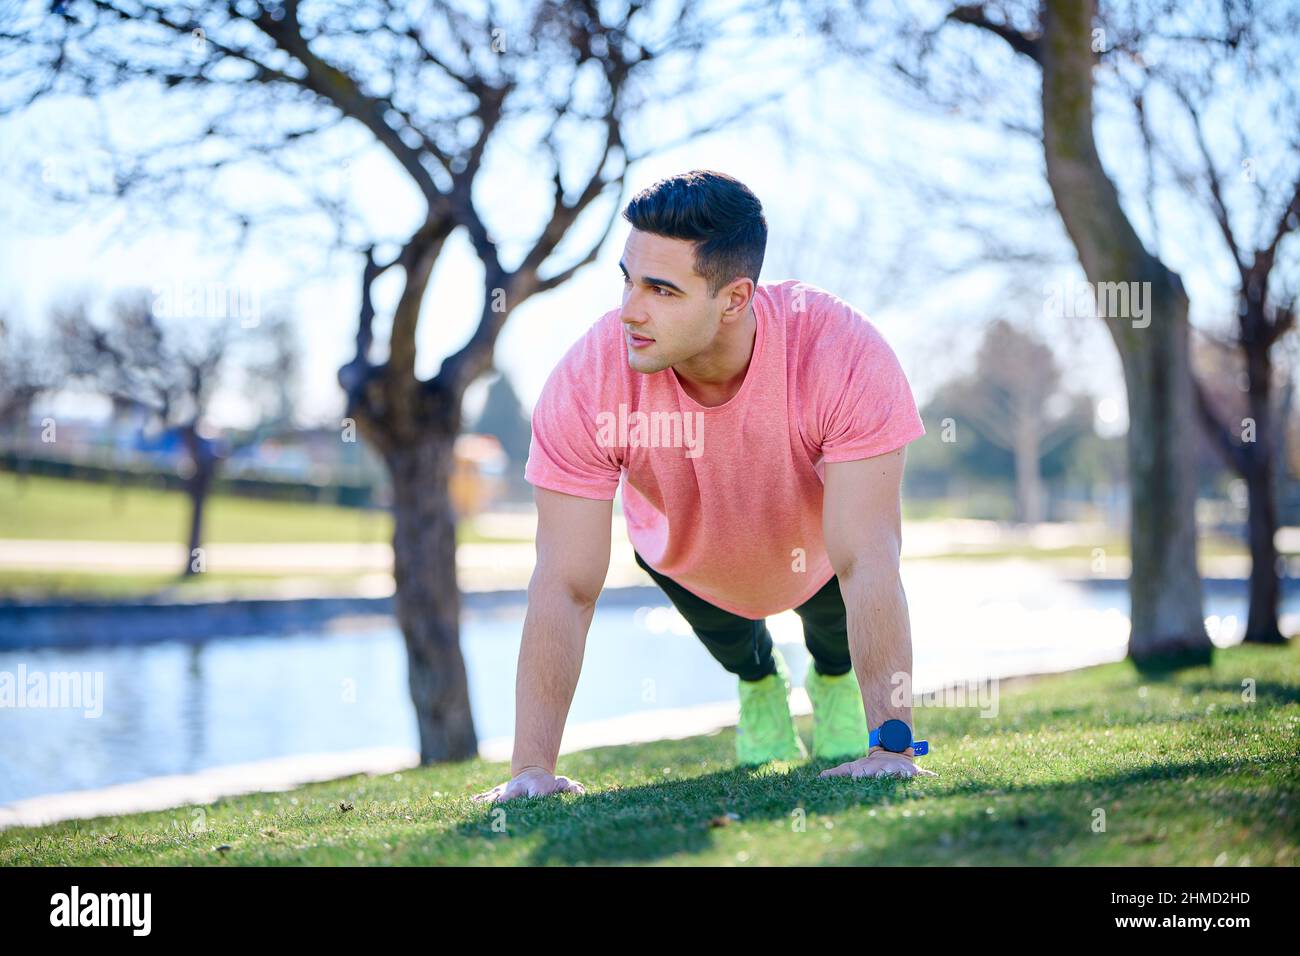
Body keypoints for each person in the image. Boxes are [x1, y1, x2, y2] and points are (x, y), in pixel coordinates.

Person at [472, 169, 937, 805]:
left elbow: (868, 557)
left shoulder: (842, 351)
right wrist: (531, 768)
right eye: (628, 280)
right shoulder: (587, 382)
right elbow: (564, 583)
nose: (630, 310)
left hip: (817, 554)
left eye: (661, 289)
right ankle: (760, 683)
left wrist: (892, 747)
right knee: (740, 651)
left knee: (834, 646)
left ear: (735, 299)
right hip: (687, 556)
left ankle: (830, 685)